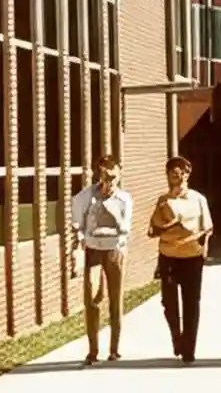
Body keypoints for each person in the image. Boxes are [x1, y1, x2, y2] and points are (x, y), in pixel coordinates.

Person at [147, 156, 213, 364]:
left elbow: (208, 227)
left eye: (181, 172)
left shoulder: (198, 199)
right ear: (167, 176)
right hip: (168, 256)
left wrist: (204, 248)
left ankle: (189, 349)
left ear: (187, 175)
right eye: (173, 173)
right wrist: (165, 219)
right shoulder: (163, 201)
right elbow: (152, 230)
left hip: (192, 256)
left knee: (191, 303)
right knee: (169, 303)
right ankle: (177, 337)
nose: (178, 176)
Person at [70, 155, 133, 365]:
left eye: (114, 175)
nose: (110, 179)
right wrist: (79, 244)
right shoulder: (86, 196)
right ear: (99, 173)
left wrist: (111, 206)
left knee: (116, 299)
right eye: (106, 174)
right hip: (93, 250)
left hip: (114, 249)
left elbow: (124, 227)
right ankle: (93, 350)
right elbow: (77, 224)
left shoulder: (124, 199)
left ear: (120, 174)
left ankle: (114, 349)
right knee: (92, 297)